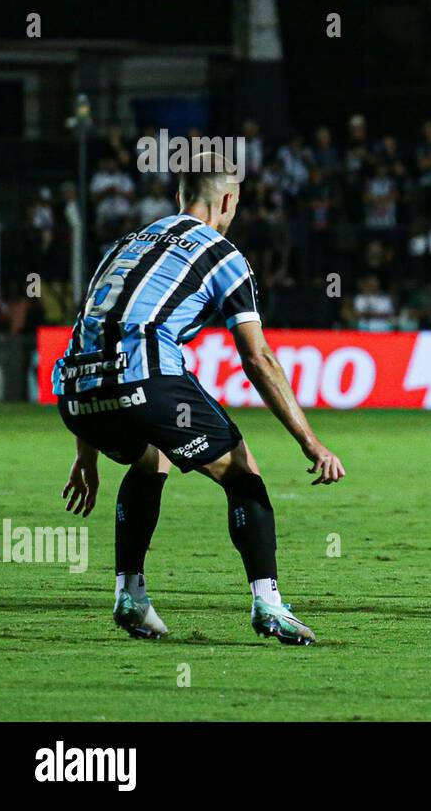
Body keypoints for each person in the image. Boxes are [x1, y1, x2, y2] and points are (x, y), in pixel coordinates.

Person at [53, 152, 345, 645]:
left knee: (152, 461)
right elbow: (258, 360)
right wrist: (310, 442)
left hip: (77, 394)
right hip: (146, 378)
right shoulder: (222, 255)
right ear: (228, 199)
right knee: (242, 472)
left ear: (179, 197)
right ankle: (269, 604)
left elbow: (89, 332)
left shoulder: (122, 245)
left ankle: (130, 594)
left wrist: (85, 452)